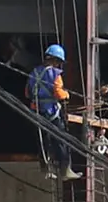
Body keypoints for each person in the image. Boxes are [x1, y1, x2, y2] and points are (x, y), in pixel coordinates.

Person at [28, 43, 75, 179]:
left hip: (37, 112)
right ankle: (65, 170)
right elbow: (59, 94)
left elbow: (27, 92)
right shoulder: (55, 74)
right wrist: (67, 95)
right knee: (61, 139)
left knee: (43, 141)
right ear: (56, 60)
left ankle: (46, 168)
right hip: (52, 112)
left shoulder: (34, 73)